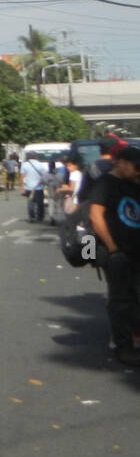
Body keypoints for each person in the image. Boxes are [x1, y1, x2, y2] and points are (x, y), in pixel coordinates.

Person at [86, 145, 140, 366]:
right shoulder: (106, 184)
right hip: (116, 253)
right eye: (136, 168)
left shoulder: (133, 184)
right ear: (121, 164)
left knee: (135, 299)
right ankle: (123, 347)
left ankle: (132, 338)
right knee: (121, 300)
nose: (138, 172)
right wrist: (112, 248)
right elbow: (95, 216)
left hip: (135, 252)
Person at [21, 153, 48, 223]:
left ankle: (31, 217)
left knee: (30, 202)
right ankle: (40, 217)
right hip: (39, 187)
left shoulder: (24, 165)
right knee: (40, 203)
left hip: (29, 187)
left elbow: (22, 176)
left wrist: (22, 187)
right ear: (35, 157)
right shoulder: (40, 164)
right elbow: (45, 176)